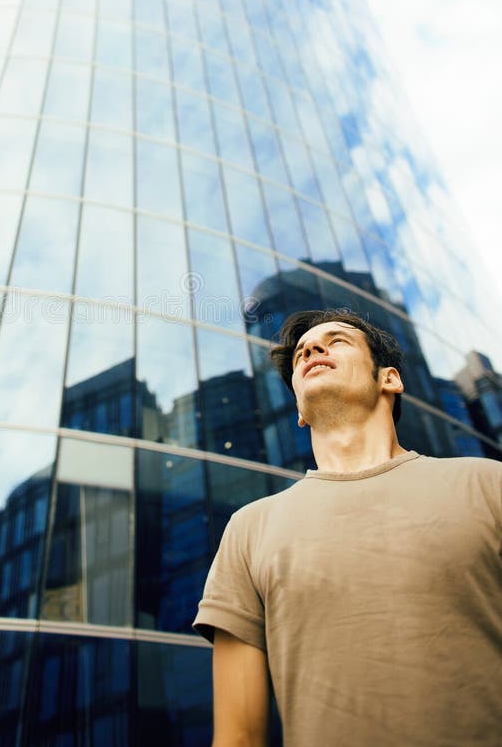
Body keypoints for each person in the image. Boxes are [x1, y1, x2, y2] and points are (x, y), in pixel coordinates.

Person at [193, 308, 502, 746]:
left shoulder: (489, 485)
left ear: (389, 379)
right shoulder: (249, 529)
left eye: (336, 341)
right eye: (302, 352)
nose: (312, 350)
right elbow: (237, 737)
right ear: (299, 409)